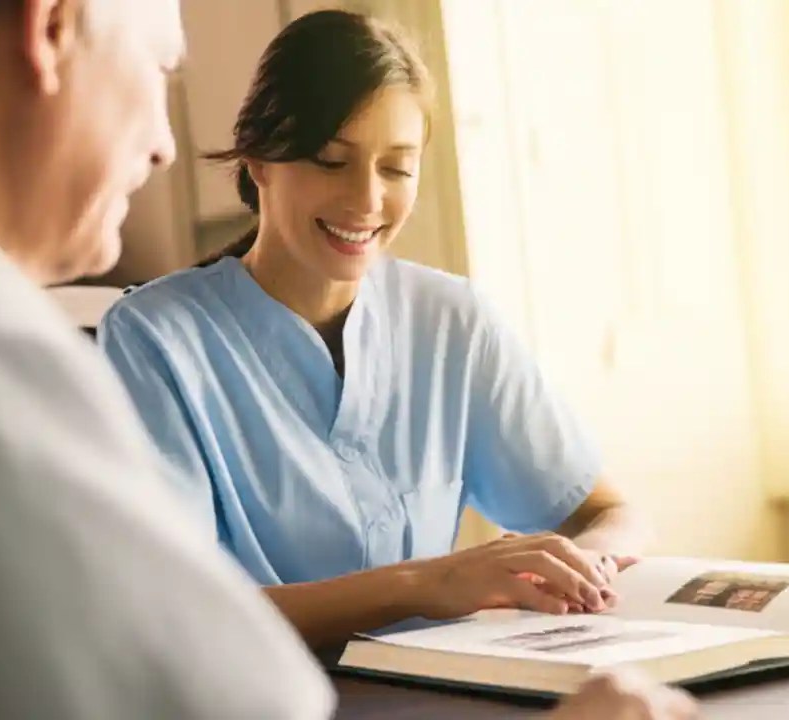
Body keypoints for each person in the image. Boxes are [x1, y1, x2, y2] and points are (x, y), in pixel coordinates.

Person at [0, 1, 700, 717]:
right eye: (157, 68)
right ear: (53, 26)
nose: (163, 146)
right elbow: (188, 681)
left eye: (397, 167)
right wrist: (430, 584)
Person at [98, 9, 652, 649]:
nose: (366, 199)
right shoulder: (153, 340)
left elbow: (608, 514)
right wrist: (428, 584)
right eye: (331, 161)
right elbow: (177, 610)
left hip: (450, 686)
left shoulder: (453, 322)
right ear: (259, 160)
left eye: (396, 168)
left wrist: (586, 568)